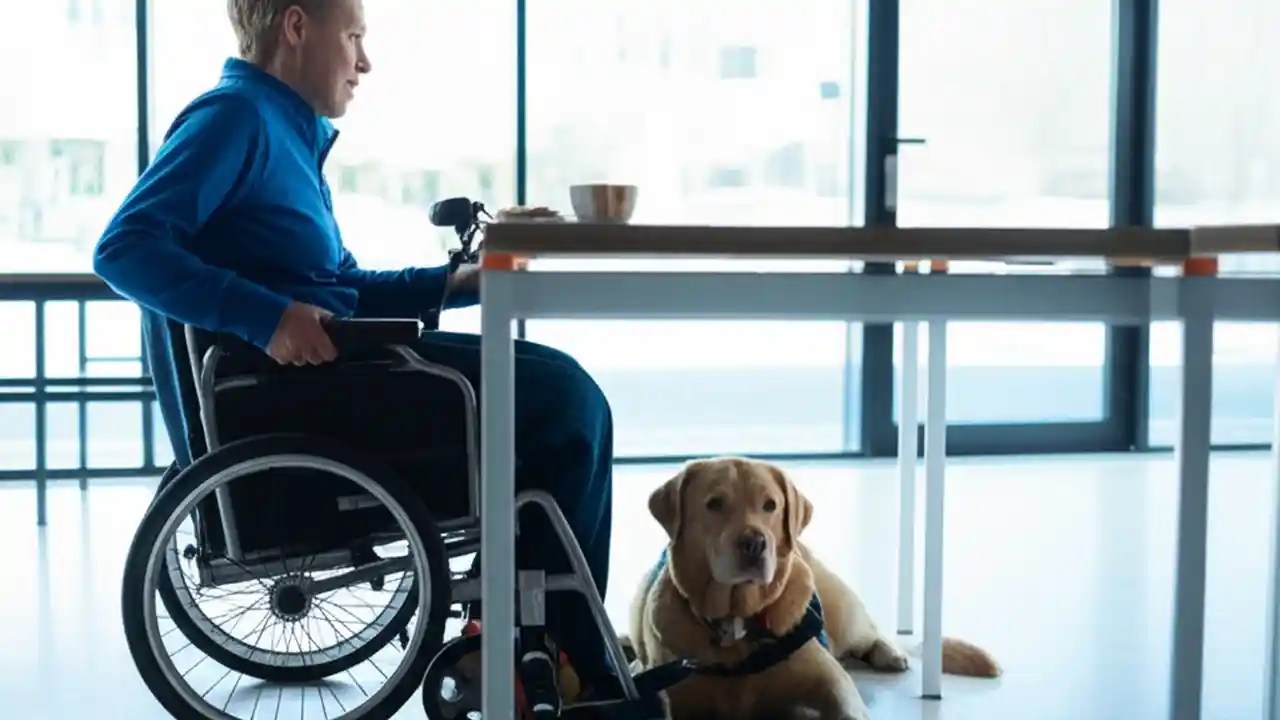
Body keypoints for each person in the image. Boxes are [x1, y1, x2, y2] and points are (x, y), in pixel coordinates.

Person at [93, 0, 618, 698]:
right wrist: (268, 317)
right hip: (305, 393)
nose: (364, 62)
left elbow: (339, 287)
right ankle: (561, 651)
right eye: (353, 37)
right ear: (295, 27)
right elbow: (123, 248)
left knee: (561, 389)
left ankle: (525, 637)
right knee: (567, 403)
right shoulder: (234, 118)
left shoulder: (283, 131)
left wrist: (456, 282)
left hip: (325, 381)